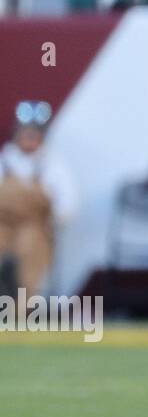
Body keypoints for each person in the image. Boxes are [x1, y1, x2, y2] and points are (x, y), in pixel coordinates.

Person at [0, 101, 75, 295]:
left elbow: (67, 203)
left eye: (35, 134)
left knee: (29, 248)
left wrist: (54, 221)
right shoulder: (5, 160)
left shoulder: (52, 165)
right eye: (26, 133)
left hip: (35, 227)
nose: (30, 138)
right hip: (3, 225)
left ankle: (22, 309)